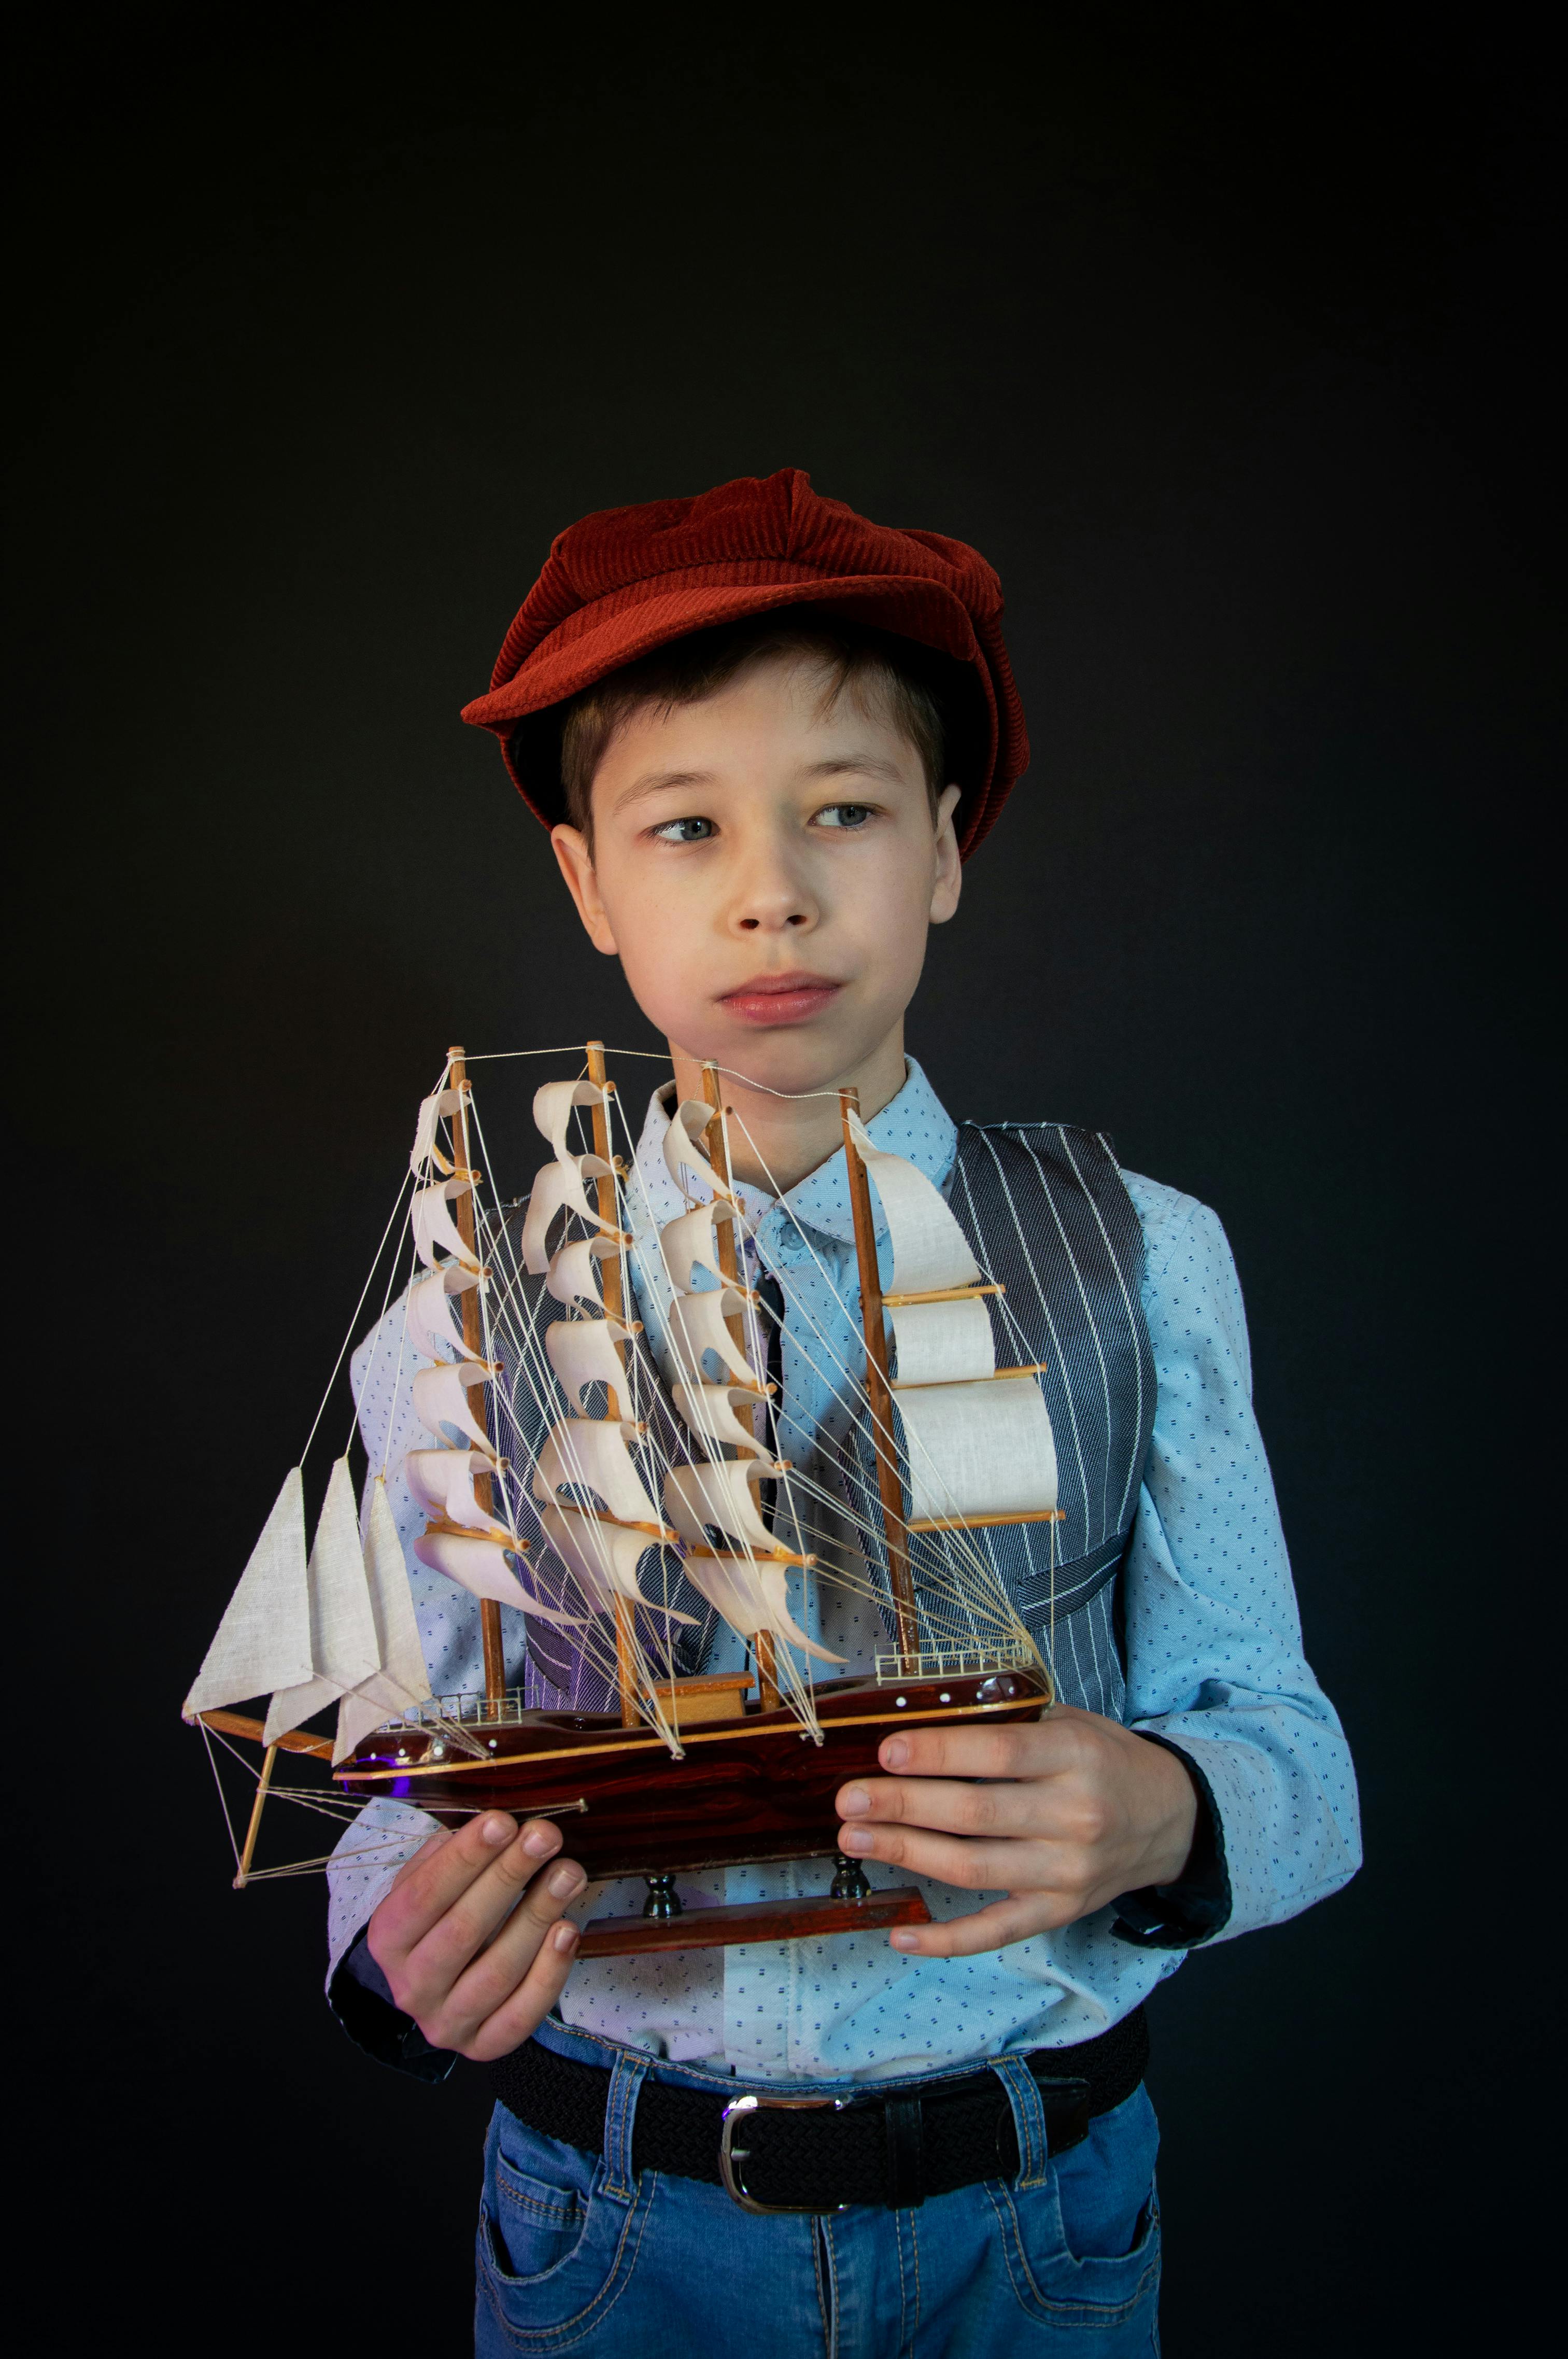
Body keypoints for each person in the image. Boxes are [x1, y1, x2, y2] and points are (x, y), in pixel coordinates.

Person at [324, 469, 1361, 2355]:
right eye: (686, 824)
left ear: (946, 851)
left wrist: (1168, 1812)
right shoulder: (462, 1323)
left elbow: (1294, 1750)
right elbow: (395, 1778)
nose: (772, 887)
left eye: (846, 814)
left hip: (1032, 2220)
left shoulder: (1144, 1257)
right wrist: (396, 1944)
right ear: (586, 883)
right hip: (608, 2224)